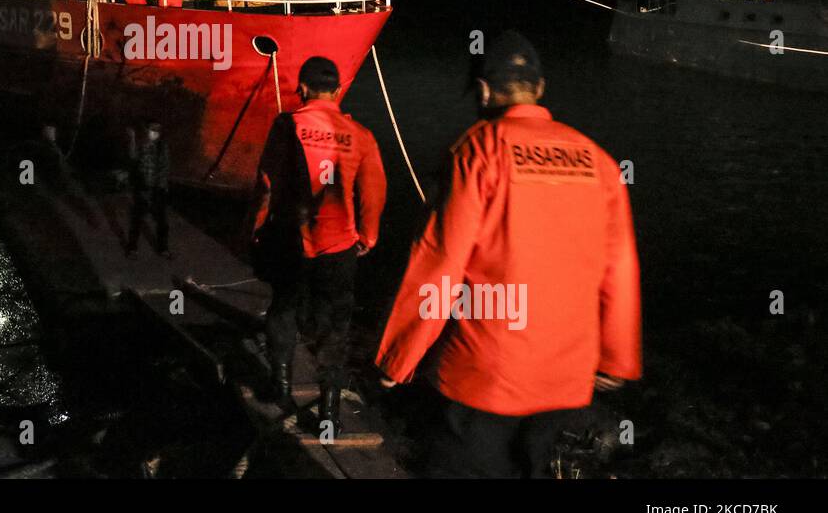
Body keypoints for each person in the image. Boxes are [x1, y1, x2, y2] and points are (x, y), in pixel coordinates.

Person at [374, 30, 641, 477]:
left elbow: (440, 262)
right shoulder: (599, 161)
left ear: (482, 90)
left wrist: (399, 358)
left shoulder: (476, 151)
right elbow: (620, 268)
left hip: (485, 375)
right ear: (539, 89)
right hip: (566, 379)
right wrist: (617, 357)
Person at [247, 56, 387, 433]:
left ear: (303, 89)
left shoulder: (287, 125)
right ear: (338, 91)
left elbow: (266, 183)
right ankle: (329, 412)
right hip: (338, 245)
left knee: (284, 308)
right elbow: (374, 190)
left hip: (292, 238)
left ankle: (280, 383)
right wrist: (368, 235)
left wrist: (256, 227)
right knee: (334, 325)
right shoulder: (360, 134)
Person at [127, 120, 171, 258]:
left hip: (157, 189)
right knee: (137, 220)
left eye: (154, 131)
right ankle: (132, 248)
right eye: (151, 130)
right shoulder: (143, 145)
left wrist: (160, 187)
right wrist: (132, 138)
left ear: (158, 134)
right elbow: (133, 157)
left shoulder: (163, 147)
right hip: (142, 188)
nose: (151, 133)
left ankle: (163, 248)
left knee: (162, 222)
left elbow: (165, 168)